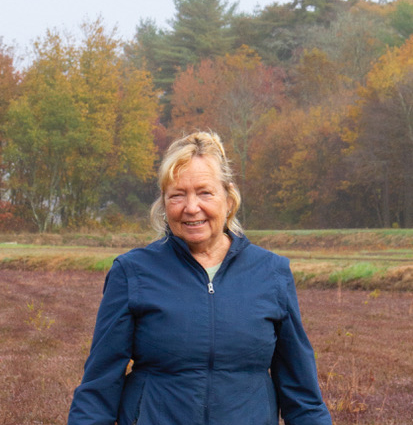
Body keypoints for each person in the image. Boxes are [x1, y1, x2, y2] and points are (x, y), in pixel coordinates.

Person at [67, 132, 332, 425]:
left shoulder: (271, 273)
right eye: (177, 195)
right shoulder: (132, 272)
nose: (191, 207)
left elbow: (303, 396)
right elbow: (98, 388)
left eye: (205, 192)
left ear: (228, 199)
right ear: (164, 204)